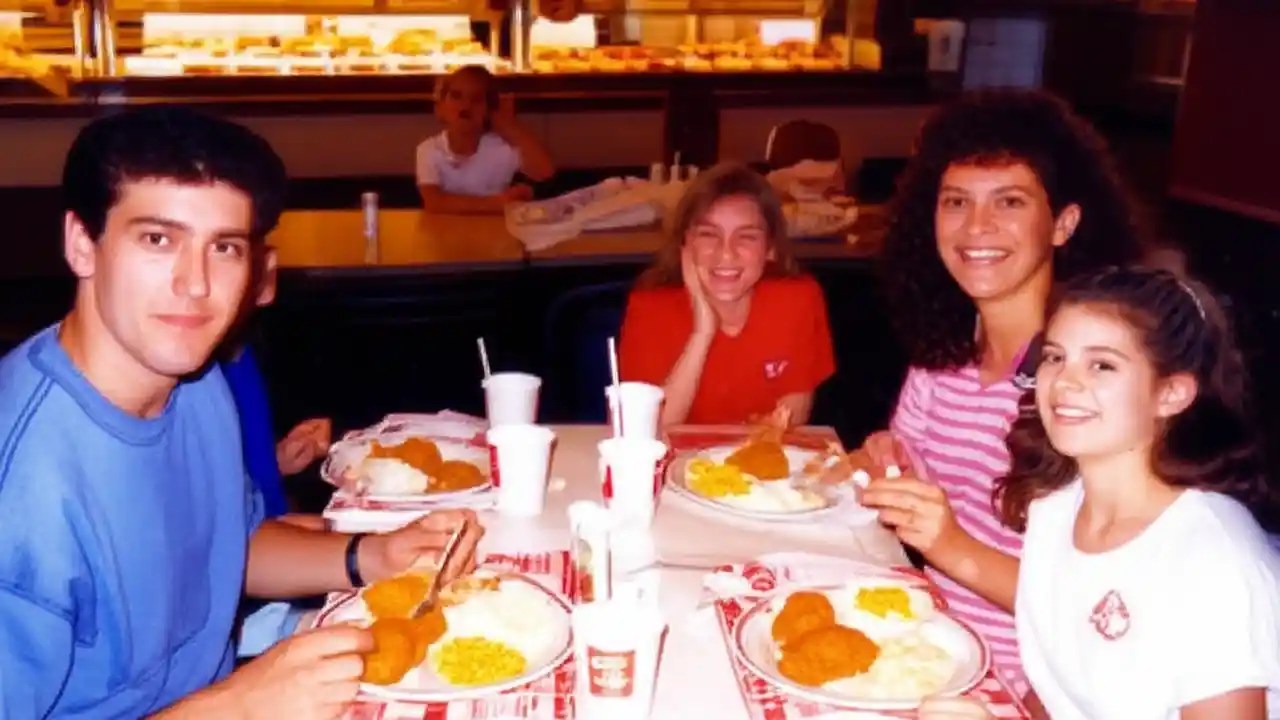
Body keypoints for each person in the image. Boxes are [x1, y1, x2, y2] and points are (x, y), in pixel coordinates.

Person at [0, 106, 483, 719]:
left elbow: (230, 543)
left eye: (224, 247)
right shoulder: (21, 489)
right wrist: (239, 706)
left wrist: (370, 556)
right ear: (81, 245)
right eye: (158, 239)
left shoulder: (195, 378)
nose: (196, 284)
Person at [857, 89, 1150, 698]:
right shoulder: (943, 358)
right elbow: (902, 474)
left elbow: (1104, 606)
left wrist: (948, 544)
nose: (976, 227)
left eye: (1009, 201)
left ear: (1064, 223)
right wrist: (884, 467)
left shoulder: (1087, 383)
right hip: (920, 646)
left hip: (1026, 686)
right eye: (955, 202)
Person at [618, 162, 835, 427]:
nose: (726, 253)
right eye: (709, 235)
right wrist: (702, 333)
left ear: (770, 248)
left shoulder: (798, 300)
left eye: (747, 237)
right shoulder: (649, 309)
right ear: (685, 243)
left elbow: (791, 418)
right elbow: (648, 432)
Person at [416, 65, 555, 213]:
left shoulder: (501, 148)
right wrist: (498, 203)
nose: (466, 105)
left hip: (493, 232)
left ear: (489, 110)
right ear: (440, 108)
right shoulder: (428, 150)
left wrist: (507, 124)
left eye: (476, 99)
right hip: (442, 233)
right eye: (456, 96)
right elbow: (434, 202)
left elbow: (544, 170)